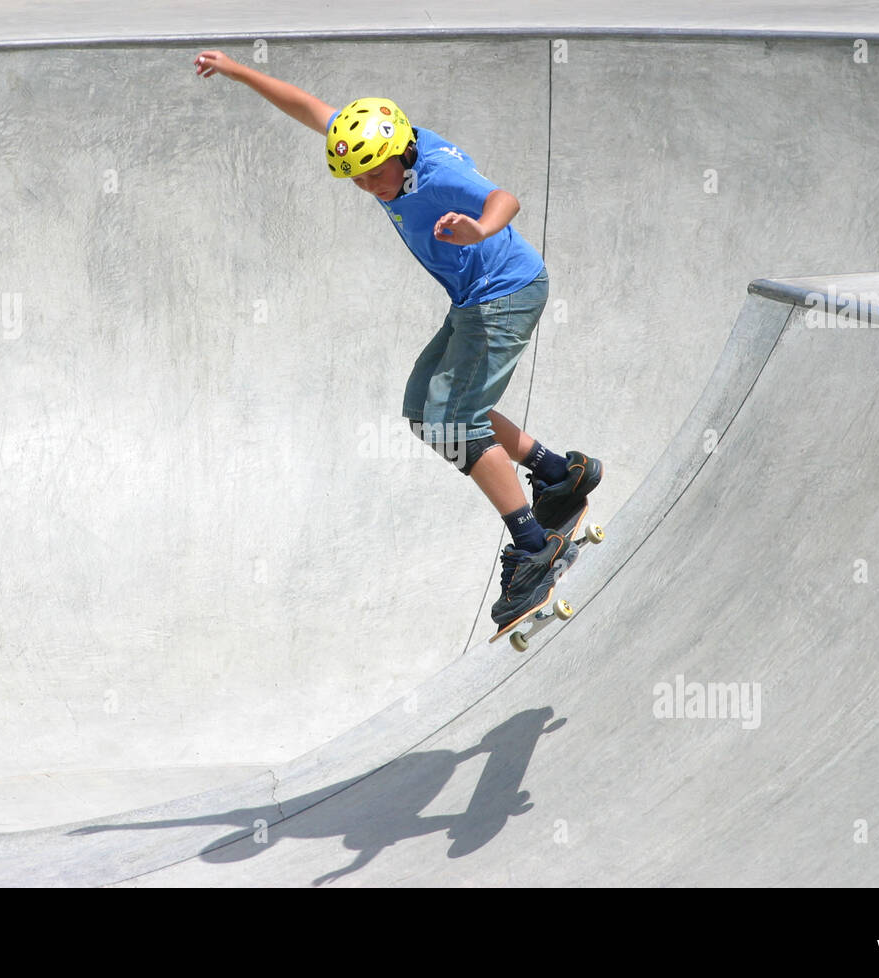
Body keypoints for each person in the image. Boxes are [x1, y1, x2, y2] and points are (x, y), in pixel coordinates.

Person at [194, 50, 602, 629]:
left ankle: (535, 545)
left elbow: (503, 198)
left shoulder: (436, 174)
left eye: (374, 174)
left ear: (401, 153)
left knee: (454, 420)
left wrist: (480, 227)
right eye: (355, 178)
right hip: (475, 299)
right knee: (424, 410)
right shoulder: (377, 140)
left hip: (504, 295)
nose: (368, 186)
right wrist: (237, 70)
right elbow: (307, 107)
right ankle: (560, 475)